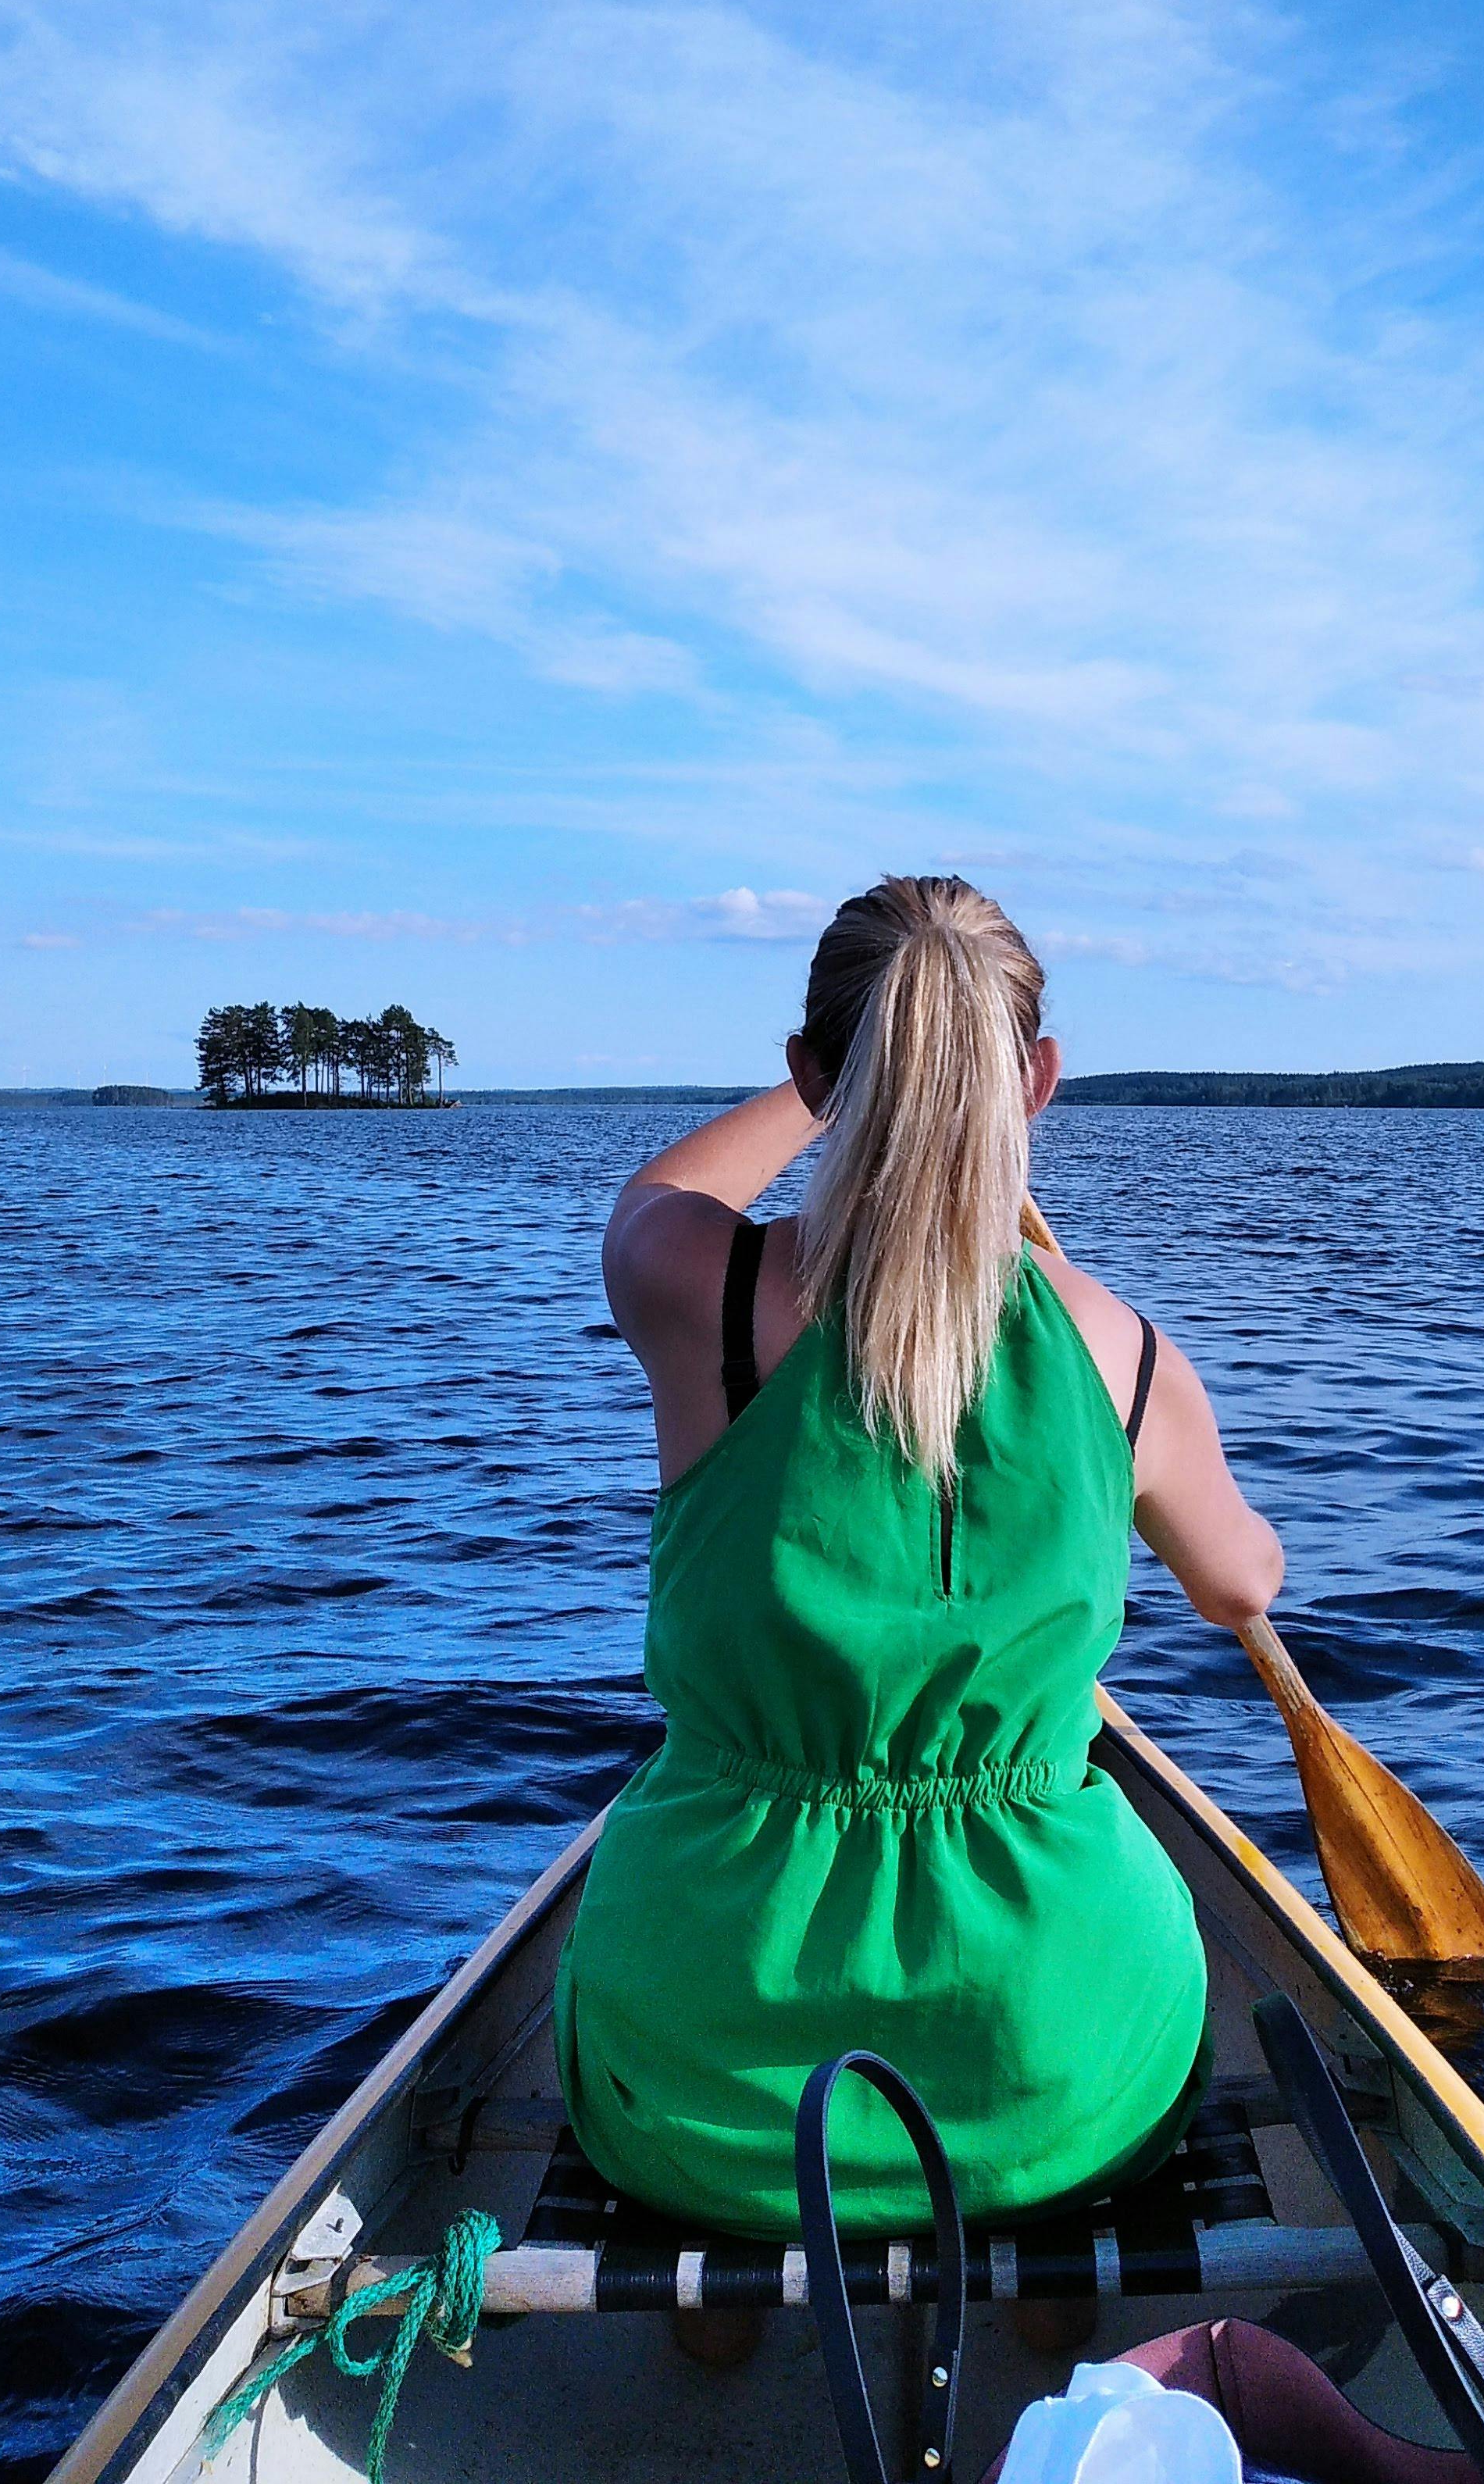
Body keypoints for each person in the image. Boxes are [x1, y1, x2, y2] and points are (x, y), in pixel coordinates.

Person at [552, 874, 1286, 2256]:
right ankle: (1061, 2287)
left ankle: (715, 2353)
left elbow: (660, 1189)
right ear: (1040, 1080)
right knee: (1091, 2095)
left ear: (814, 1075)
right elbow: (1242, 1583)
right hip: (1047, 2074)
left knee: (700, 2158)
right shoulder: (1124, 1355)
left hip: (708, 2079)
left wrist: (842, 1092)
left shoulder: (692, 1289)